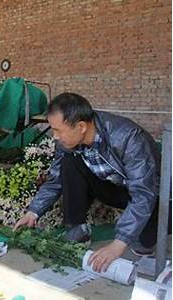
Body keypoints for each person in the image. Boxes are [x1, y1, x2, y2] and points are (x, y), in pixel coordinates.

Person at [14, 92, 161, 273]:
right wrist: (33, 212)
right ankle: (77, 229)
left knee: (144, 243)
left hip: (156, 198)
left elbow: (144, 192)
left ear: (81, 126)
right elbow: (55, 179)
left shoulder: (127, 137)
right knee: (69, 163)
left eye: (58, 130)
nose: (55, 136)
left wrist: (119, 243)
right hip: (115, 189)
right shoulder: (67, 143)